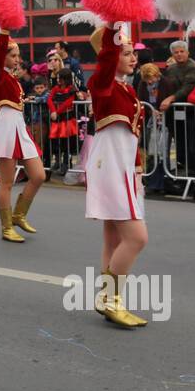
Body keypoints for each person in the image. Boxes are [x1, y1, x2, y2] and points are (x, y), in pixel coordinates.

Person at [83, 23, 148, 327]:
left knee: (113, 237)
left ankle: (108, 297)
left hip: (122, 165)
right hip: (110, 165)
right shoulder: (101, 81)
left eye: (133, 52)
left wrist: (136, 170)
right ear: (110, 56)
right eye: (125, 53)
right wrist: (112, 19)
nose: (132, 57)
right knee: (136, 237)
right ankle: (109, 299)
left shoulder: (126, 86)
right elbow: (107, 57)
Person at [0, 27, 45, 241]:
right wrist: (5, 31)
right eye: (13, 55)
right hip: (6, 131)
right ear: (2, 56)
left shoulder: (12, 78)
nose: (18, 60)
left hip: (19, 128)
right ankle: (6, 227)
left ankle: (18, 215)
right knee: (7, 182)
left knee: (38, 176)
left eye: (18, 56)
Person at [159, 39, 195, 183]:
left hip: (191, 112)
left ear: (187, 52)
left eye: (181, 52)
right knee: (179, 142)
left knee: (191, 143)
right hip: (175, 112)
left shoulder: (193, 67)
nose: (179, 55)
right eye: (176, 52)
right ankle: (180, 171)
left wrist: (171, 98)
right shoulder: (171, 69)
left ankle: (193, 173)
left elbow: (188, 88)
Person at [135, 62, 171, 195]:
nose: (150, 81)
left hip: (165, 122)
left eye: (152, 78)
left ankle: (161, 183)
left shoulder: (165, 83)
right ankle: (152, 182)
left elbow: (170, 97)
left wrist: (162, 111)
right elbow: (141, 101)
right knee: (151, 153)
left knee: (162, 153)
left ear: (157, 75)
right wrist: (151, 111)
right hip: (150, 121)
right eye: (147, 79)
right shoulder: (142, 84)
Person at [46, 68, 79, 175]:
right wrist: (53, 111)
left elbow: (68, 102)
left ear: (67, 79)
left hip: (67, 118)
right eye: (59, 78)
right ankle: (57, 161)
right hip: (57, 119)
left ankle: (65, 163)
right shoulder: (56, 88)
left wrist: (57, 112)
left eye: (62, 78)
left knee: (66, 142)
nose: (60, 80)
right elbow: (49, 99)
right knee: (55, 140)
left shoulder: (71, 89)